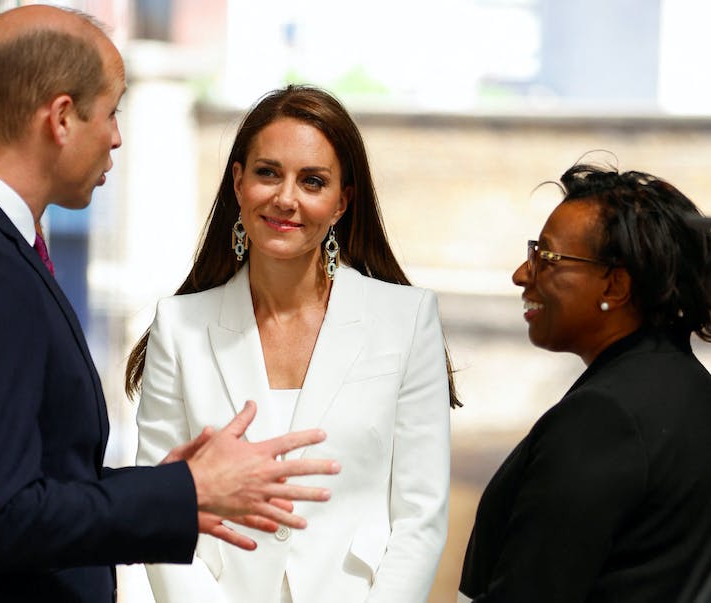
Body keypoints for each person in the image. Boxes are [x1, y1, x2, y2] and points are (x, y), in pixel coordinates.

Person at [0, 7, 340, 603]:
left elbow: (20, 483)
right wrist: (184, 492)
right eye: (111, 112)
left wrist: (167, 492)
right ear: (61, 118)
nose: (116, 136)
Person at [128, 84, 456, 603]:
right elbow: (160, 505)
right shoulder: (179, 325)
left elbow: (420, 516)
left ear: (342, 201)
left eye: (312, 181)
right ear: (238, 182)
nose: (285, 198)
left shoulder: (406, 320)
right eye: (267, 173)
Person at [458, 163, 711, 602]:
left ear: (615, 285)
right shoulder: (692, 389)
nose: (522, 274)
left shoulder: (604, 417)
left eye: (546, 256)